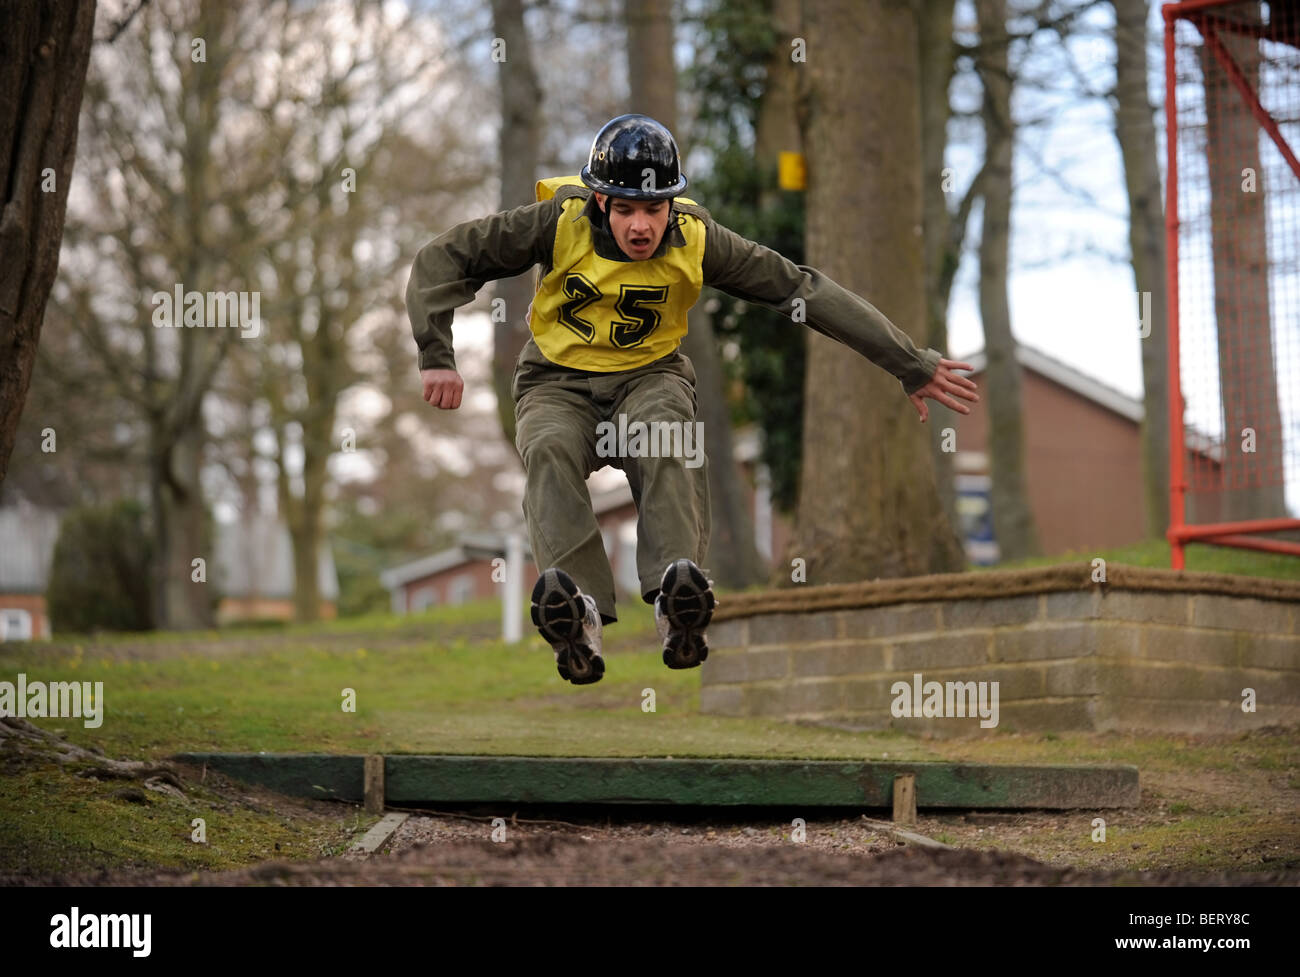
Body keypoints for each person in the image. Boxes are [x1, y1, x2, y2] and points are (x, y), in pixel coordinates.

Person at [407, 114, 978, 686]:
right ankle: (576, 610)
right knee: (550, 448)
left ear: (672, 206)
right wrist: (436, 352)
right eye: (625, 208)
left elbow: (798, 288)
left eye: (653, 211)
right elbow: (447, 257)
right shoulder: (556, 222)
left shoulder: (699, 238)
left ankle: (677, 601)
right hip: (557, 380)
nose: (640, 226)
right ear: (599, 199)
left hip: (649, 377)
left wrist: (908, 363)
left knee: (665, 435)